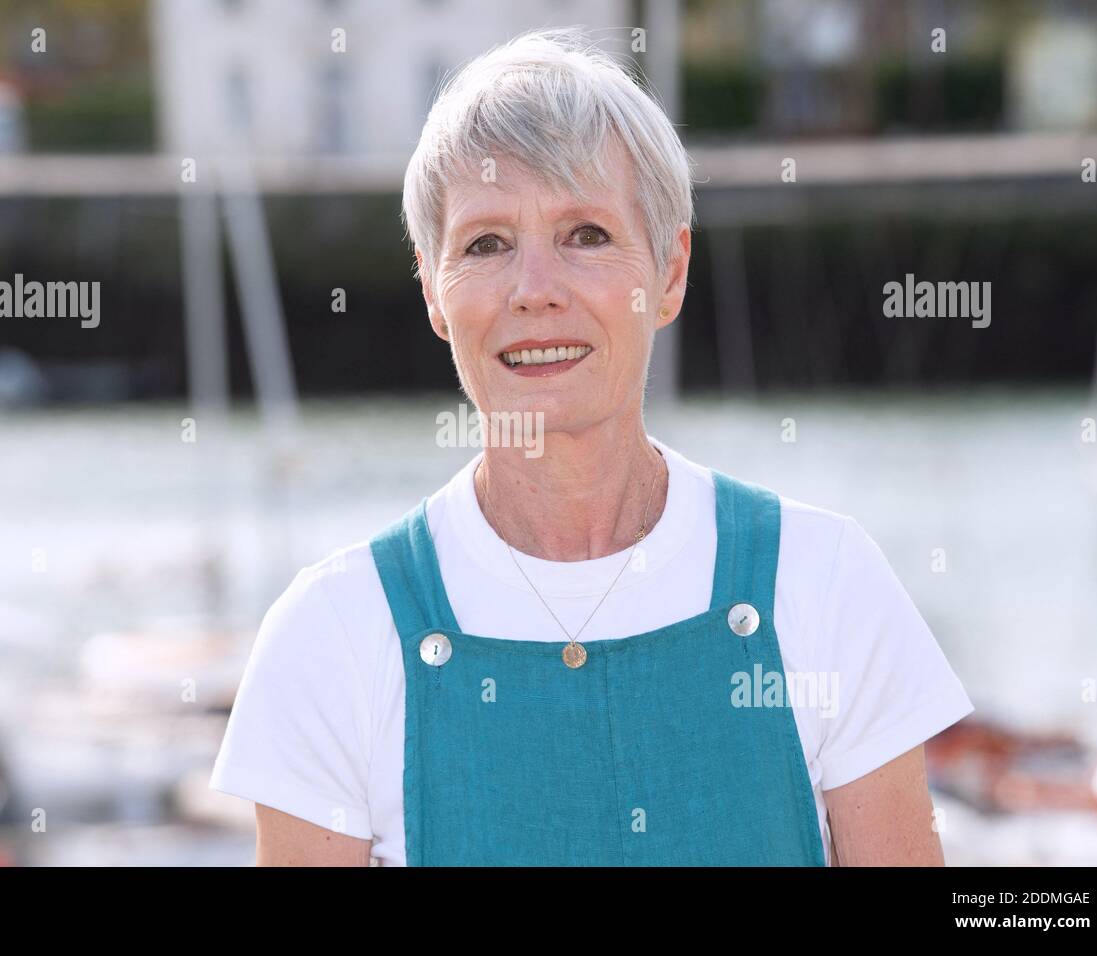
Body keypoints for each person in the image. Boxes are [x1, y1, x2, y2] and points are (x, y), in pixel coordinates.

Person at [210, 26, 974, 866]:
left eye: (587, 236)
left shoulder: (825, 582)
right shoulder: (333, 637)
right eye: (486, 245)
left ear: (671, 271)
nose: (535, 292)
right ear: (434, 291)